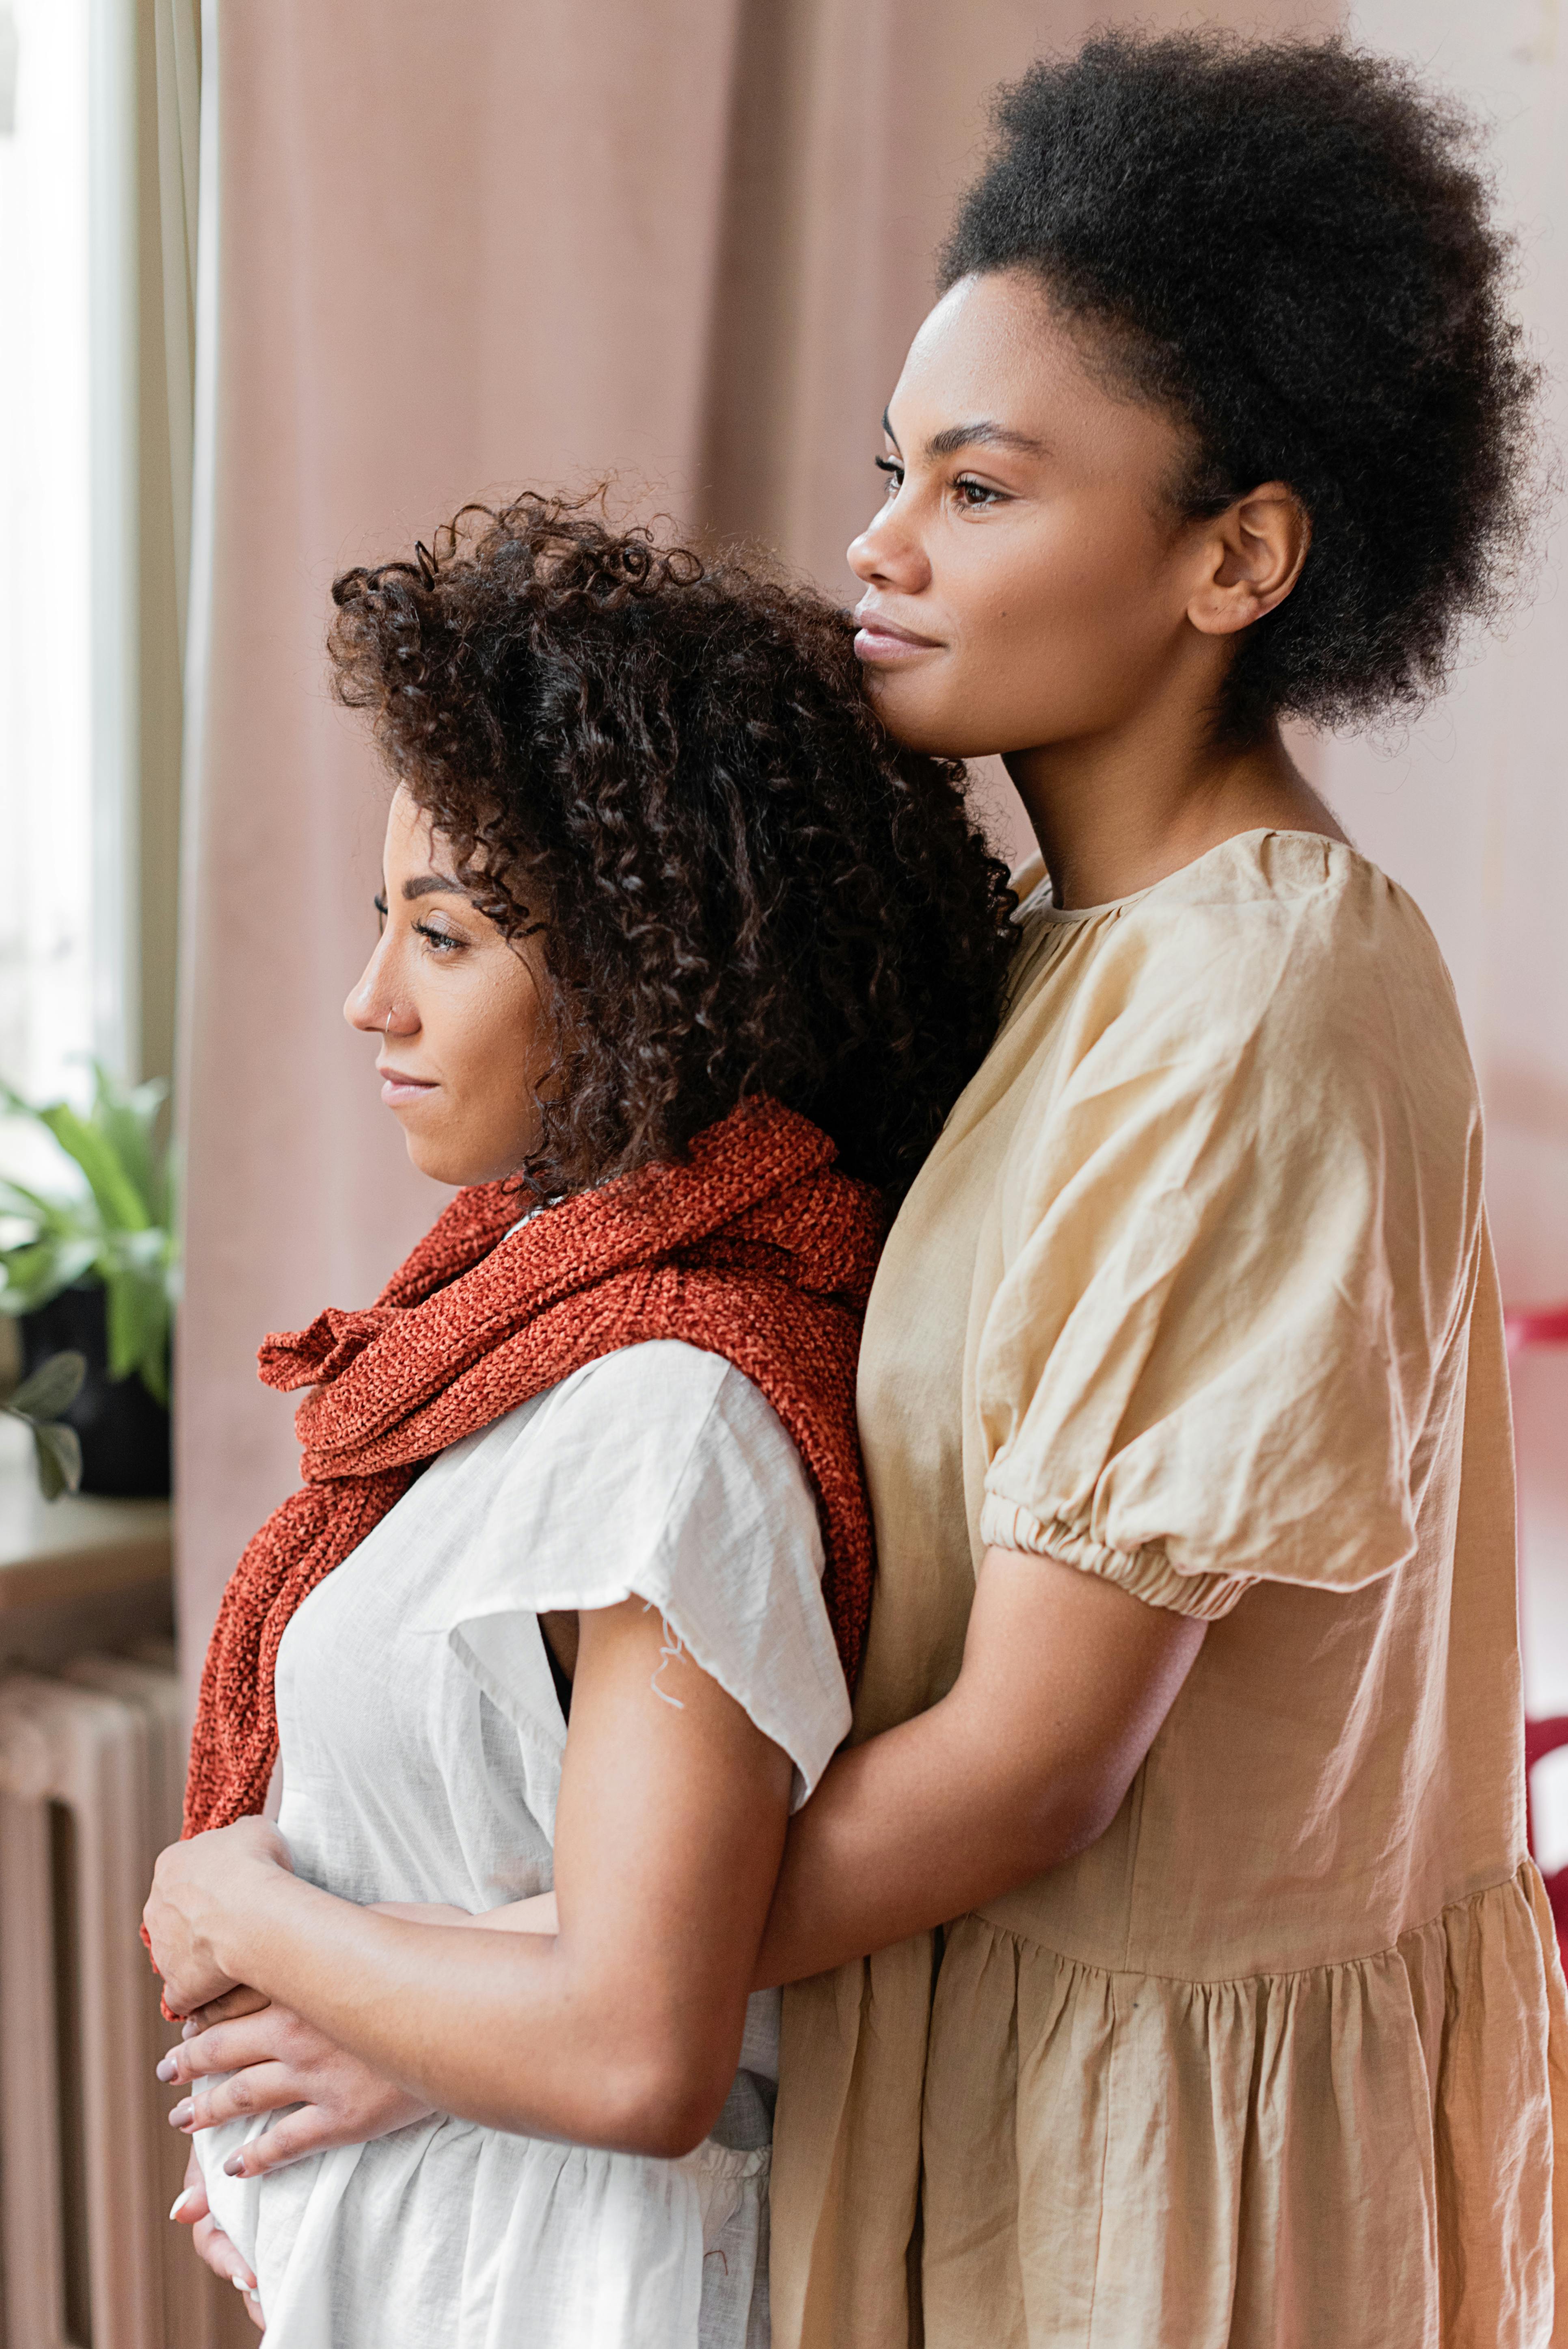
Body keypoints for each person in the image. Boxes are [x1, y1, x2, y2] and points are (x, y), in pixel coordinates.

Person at [741, 31, 1564, 2349]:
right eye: (888, 473)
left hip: (1153, 2207)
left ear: (1238, 553)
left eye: (979, 490)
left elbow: (1029, 1765)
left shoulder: (1257, 993)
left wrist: (514, 1967)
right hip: (1004, 2089)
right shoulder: (1067, 963)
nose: (880, 548)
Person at [142, 495, 1013, 2346]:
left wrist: (234, 1905)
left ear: (638, 979)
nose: (368, 998)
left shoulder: (675, 1414)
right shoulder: (518, 1331)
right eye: (387, 921)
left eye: (444, 937)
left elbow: (639, 2045)